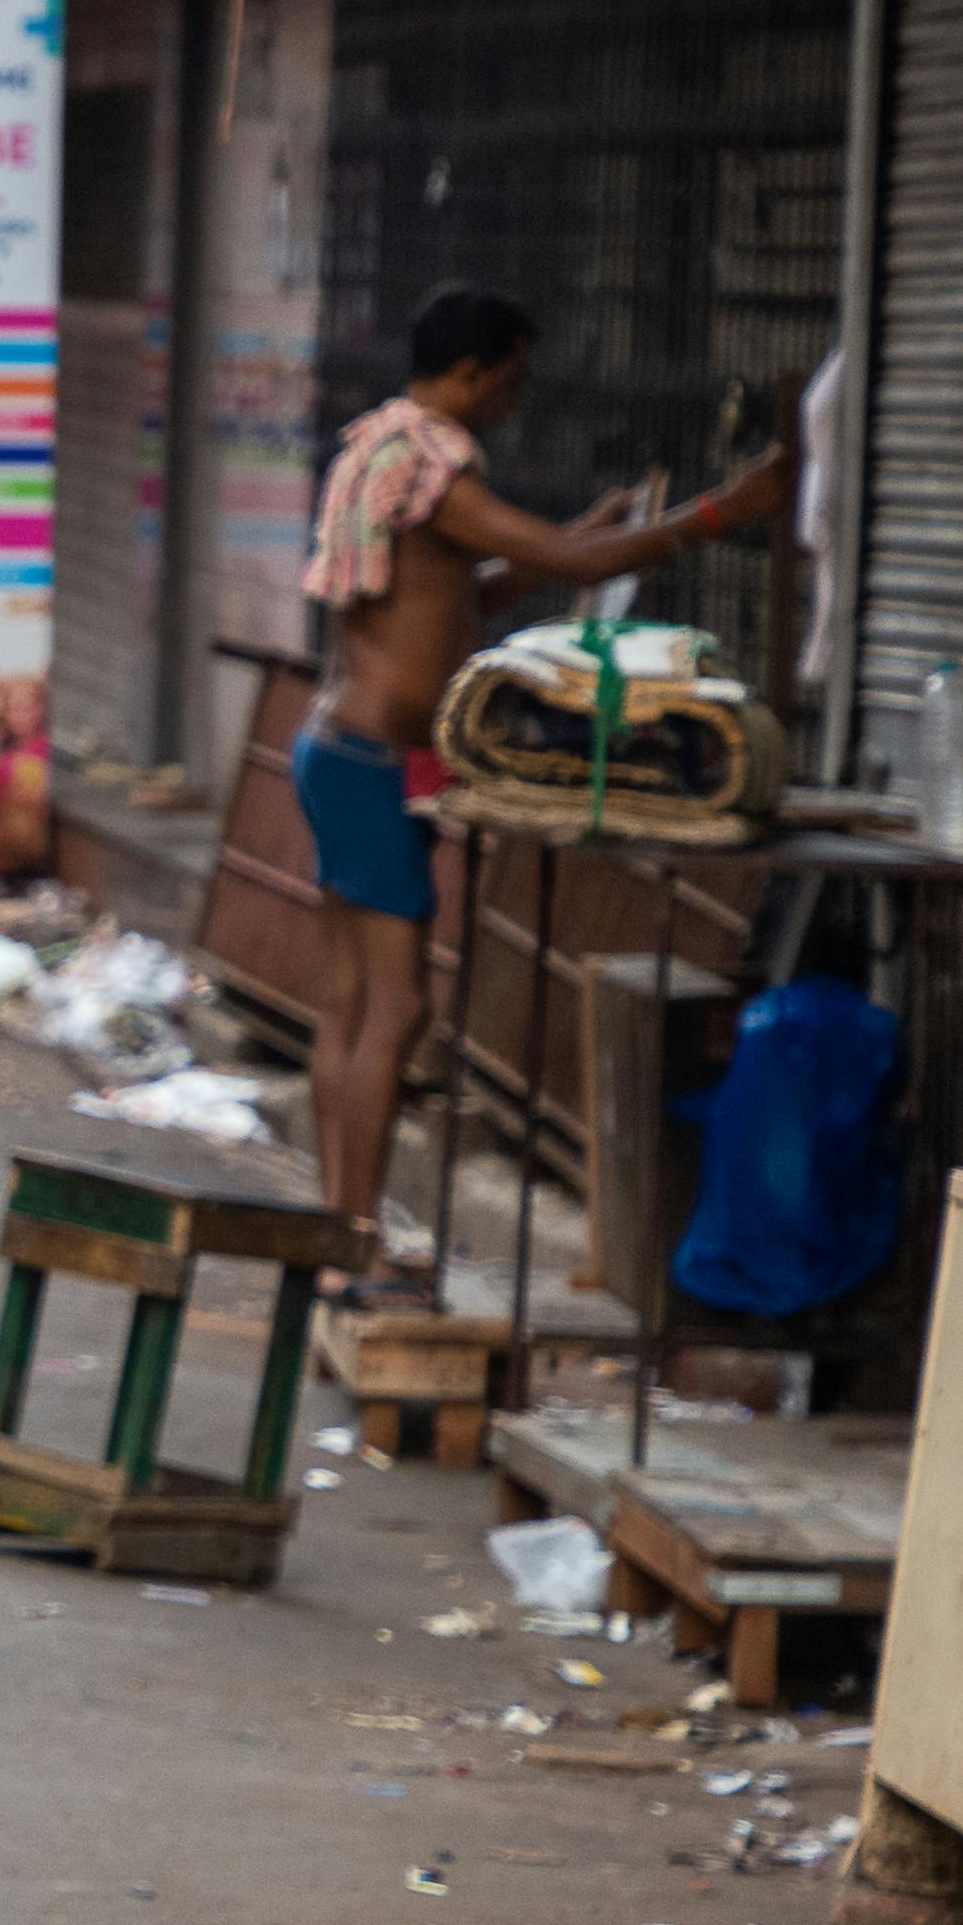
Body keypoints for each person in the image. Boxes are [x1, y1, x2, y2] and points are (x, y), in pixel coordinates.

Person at [298, 283, 789, 1291]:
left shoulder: (377, 447)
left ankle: (337, 1238)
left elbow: (458, 593)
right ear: (472, 374)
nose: (514, 405)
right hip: (373, 762)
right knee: (393, 1012)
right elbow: (569, 559)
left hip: (339, 749)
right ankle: (352, 1245)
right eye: (510, 383)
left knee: (354, 1008)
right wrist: (717, 515)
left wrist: (581, 532)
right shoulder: (435, 459)